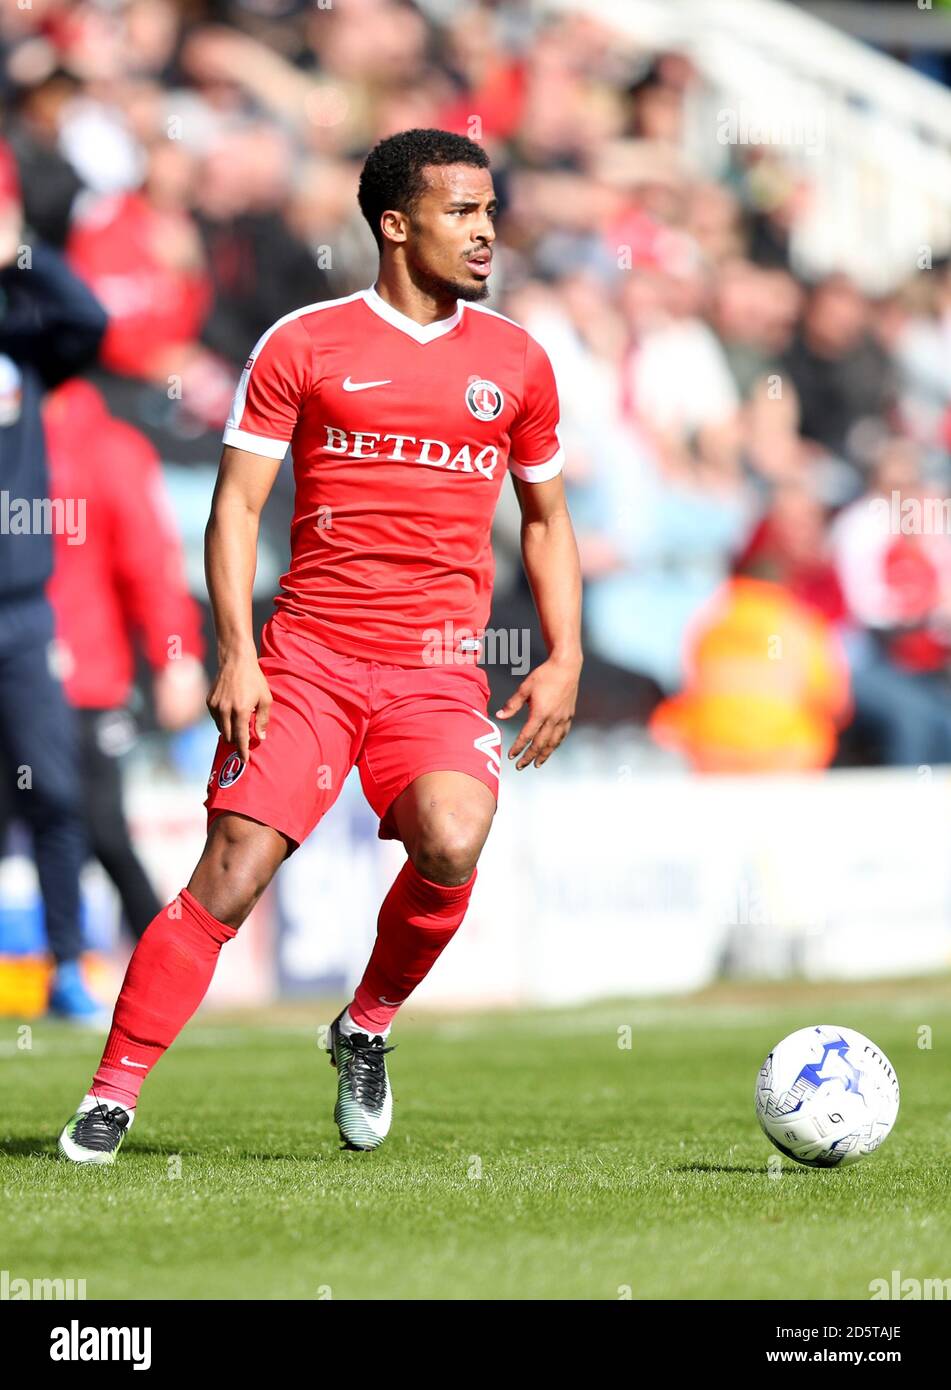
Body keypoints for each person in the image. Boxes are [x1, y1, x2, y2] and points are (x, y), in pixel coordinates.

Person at [58, 128, 583, 1164]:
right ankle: (112, 1092)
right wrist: (237, 651)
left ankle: (367, 1024)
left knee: (453, 837)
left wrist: (563, 653)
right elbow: (235, 509)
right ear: (396, 223)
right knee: (234, 870)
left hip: (436, 665)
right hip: (307, 659)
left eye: (489, 211)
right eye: (460, 211)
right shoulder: (305, 343)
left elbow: (547, 519)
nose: (485, 232)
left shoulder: (517, 361)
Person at [0, 143, 109, 1020]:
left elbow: (90, 321)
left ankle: (67, 966)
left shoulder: (21, 340)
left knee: (56, 790)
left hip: (22, 616)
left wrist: (24, 246)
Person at [44, 378, 206, 941]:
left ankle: (163, 959)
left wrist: (177, 657)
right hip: (27, 676)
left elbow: (149, 564)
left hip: (81, 682)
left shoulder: (105, 448)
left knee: (104, 830)